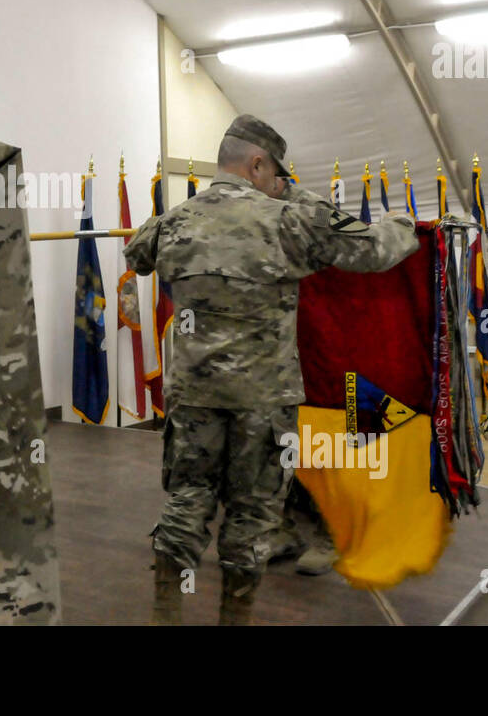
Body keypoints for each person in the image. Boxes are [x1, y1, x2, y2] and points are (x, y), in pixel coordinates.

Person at [124, 115, 418, 625]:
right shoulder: (287, 221)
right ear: (258, 164)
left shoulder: (174, 221)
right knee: (252, 512)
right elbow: (376, 250)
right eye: (275, 172)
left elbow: (138, 253)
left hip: (192, 396)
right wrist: (400, 223)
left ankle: (164, 614)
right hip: (262, 400)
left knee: (186, 501)